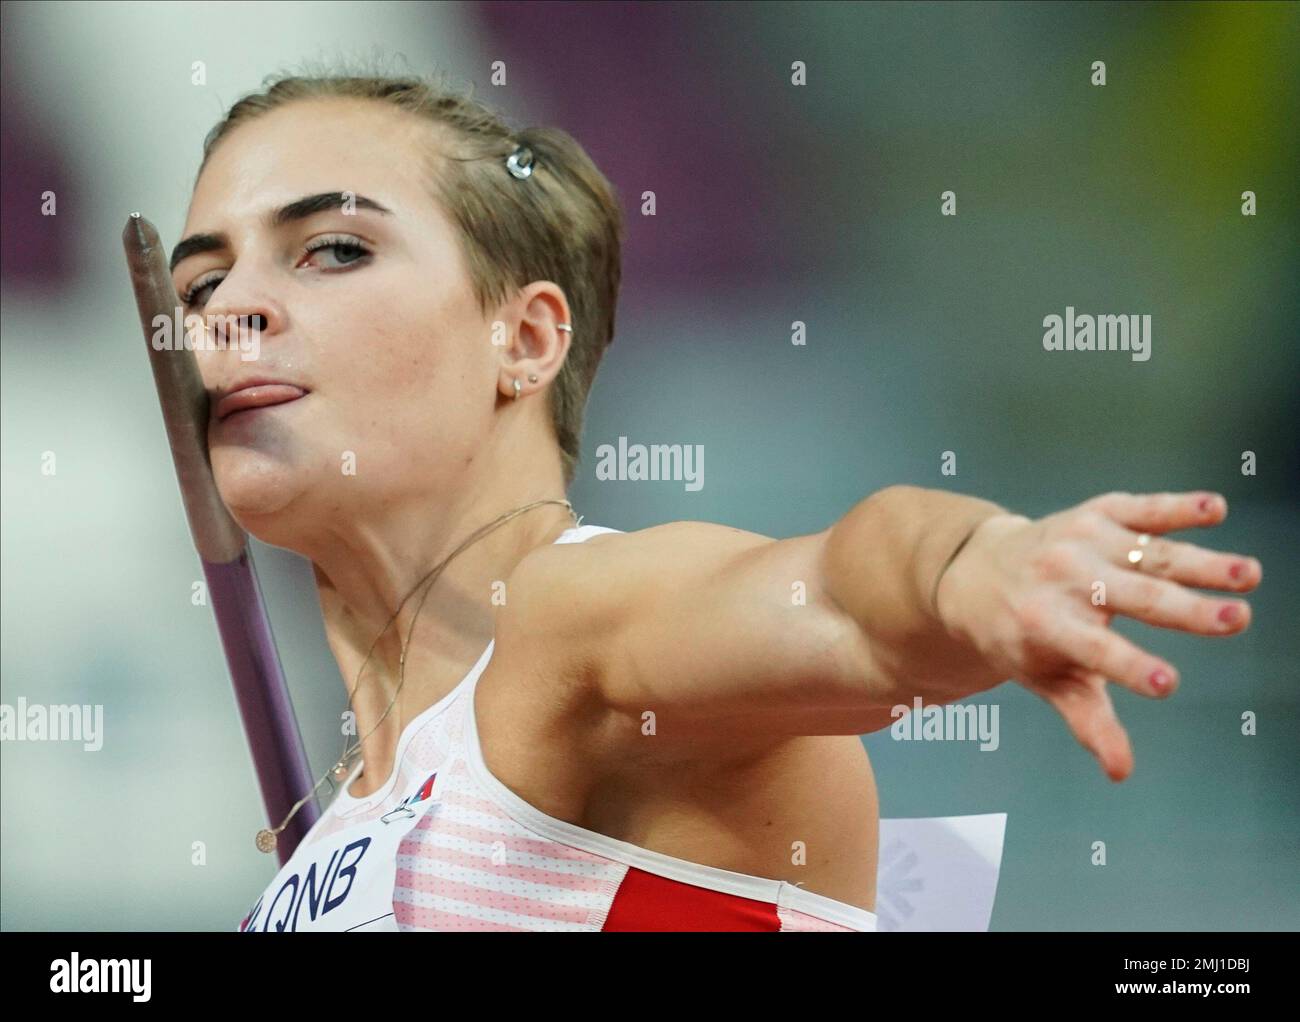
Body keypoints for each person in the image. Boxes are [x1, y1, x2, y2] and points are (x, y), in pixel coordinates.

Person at [169, 71, 1261, 932]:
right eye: (200, 283)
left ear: (527, 336)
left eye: (334, 250)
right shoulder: (350, 800)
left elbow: (836, 588)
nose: (232, 309)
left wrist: (966, 565)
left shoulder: (569, 619)